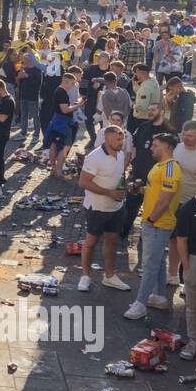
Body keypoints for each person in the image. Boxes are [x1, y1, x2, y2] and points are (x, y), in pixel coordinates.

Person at [124, 132, 182, 316]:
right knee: (156, 261)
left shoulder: (171, 169)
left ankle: (140, 303)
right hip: (154, 221)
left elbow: (165, 201)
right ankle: (159, 296)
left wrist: (150, 220)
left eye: (155, 145)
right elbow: (156, 191)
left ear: (167, 148)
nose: (151, 147)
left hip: (158, 223)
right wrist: (141, 188)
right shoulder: (160, 166)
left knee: (149, 265)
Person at [79, 125, 129, 293]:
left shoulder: (121, 155)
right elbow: (83, 182)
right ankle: (85, 276)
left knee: (112, 240)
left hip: (116, 208)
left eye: (122, 138)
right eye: (118, 139)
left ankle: (109, 276)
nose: (121, 142)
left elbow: (119, 176)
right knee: (91, 242)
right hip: (97, 208)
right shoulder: (94, 157)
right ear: (107, 139)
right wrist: (109, 193)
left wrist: (124, 189)